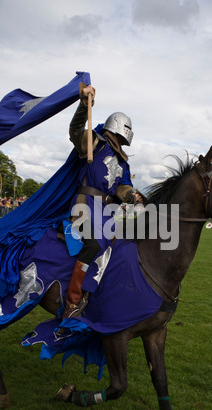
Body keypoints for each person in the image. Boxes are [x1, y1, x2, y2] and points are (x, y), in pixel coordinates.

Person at [62, 84, 143, 318]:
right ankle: (73, 302)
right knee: (94, 244)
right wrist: (83, 106)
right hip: (84, 205)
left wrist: (131, 195)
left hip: (105, 211)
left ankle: (104, 295)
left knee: (122, 246)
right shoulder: (95, 143)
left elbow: (122, 187)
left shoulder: (123, 162)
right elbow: (75, 130)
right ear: (119, 128)